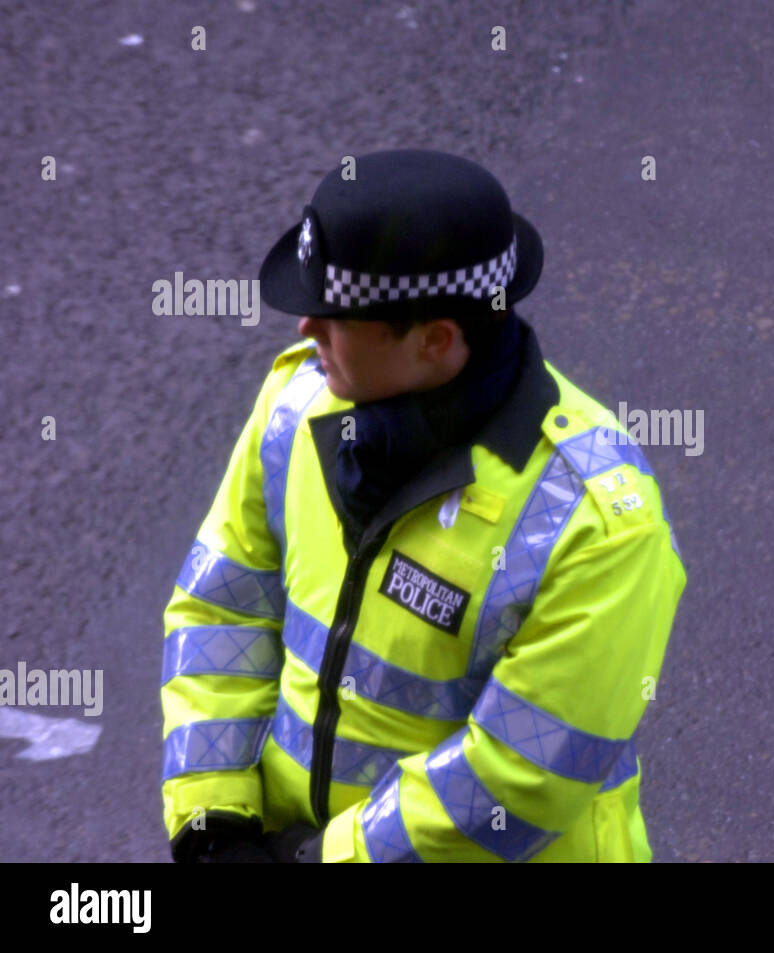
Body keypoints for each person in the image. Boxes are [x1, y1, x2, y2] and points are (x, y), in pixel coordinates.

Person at [159, 149, 686, 862]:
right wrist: (212, 818)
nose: (304, 329)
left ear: (437, 340)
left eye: (335, 316)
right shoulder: (297, 406)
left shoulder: (597, 522)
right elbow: (221, 610)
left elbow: (517, 780)